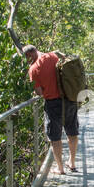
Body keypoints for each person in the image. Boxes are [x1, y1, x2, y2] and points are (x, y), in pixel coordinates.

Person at [22, 44, 78, 174]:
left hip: (53, 104)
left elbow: (39, 92)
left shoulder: (34, 68)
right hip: (69, 99)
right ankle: (72, 163)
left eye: (26, 58)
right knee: (72, 131)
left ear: (29, 55)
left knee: (55, 137)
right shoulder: (54, 56)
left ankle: (60, 168)